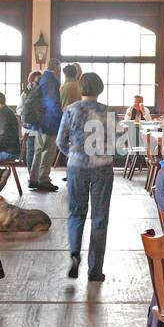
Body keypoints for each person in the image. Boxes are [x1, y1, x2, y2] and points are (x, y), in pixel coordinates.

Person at [56, 72, 114, 282]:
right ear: (100, 89)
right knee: (100, 218)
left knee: (76, 214)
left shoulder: (70, 110)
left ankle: (74, 257)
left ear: (80, 89)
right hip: (103, 168)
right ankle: (95, 270)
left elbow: (60, 141)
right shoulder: (108, 112)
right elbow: (116, 140)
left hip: (77, 166)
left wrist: (72, 153)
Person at [25, 58, 63, 192]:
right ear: (57, 68)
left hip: (39, 122)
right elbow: (52, 103)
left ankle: (33, 178)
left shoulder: (41, 79)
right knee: (48, 151)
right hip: (49, 121)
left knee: (38, 151)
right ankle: (44, 179)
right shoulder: (51, 81)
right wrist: (59, 118)